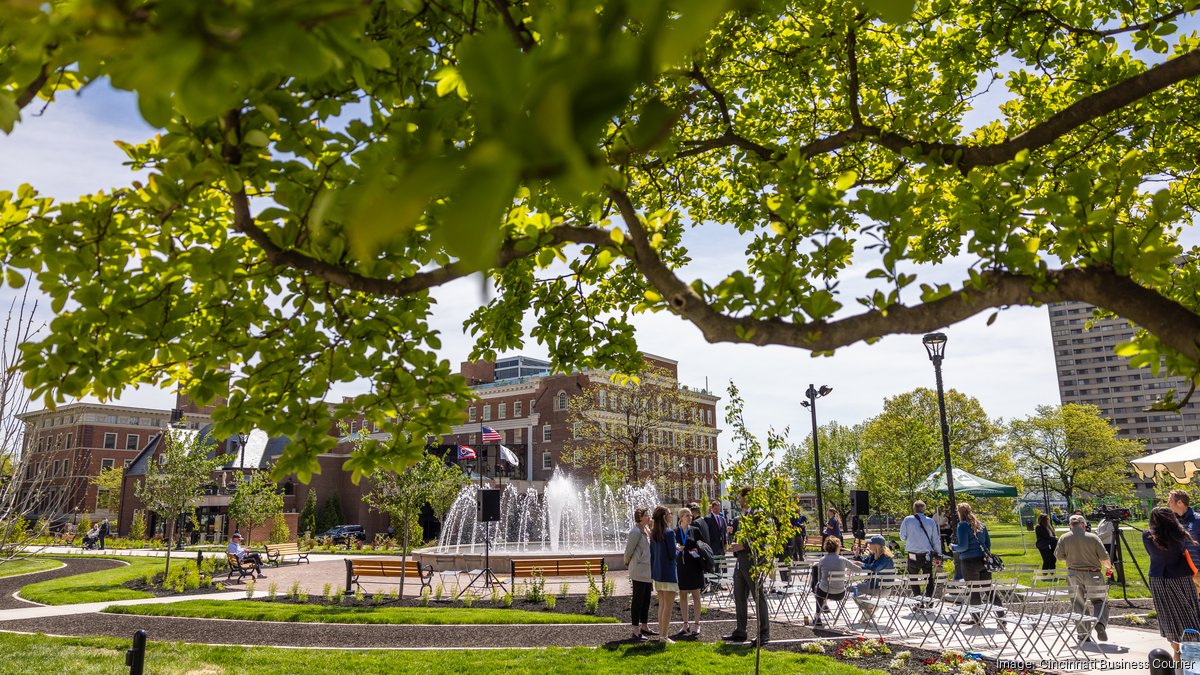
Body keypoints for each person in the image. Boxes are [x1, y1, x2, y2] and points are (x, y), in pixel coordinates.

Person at [1143, 506, 1200, 660]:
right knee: (1189, 611)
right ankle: (1194, 646)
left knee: (1167, 614)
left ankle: (1176, 650)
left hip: (1158, 577)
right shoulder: (1180, 534)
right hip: (1181, 576)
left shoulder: (1148, 535)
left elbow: (1151, 553)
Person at [722, 487, 770, 646]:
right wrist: (736, 546)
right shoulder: (741, 517)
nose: (739, 500)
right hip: (740, 563)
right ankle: (740, 631)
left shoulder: (759, 515)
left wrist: (744, 547)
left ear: (748, 497)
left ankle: (764, 633)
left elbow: (762, 540)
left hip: (753, 562)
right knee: (739, 597)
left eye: (740, 497)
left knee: (758, 597)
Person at [1054, 514, 1111, 643]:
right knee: (1100, 601)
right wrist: (1109, 568)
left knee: (1078, 604)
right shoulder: (1093, 538)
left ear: (1070, 525)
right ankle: (1100, 623)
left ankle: (1083, 634)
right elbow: (1104, 558)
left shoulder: (1064, 538)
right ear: (1084, 525)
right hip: (1093, 574)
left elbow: (1059, 556)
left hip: (1073, 574)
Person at [953, 503, 999, 624]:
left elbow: (963, 546)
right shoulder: (981, 525)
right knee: (989, 589)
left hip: (969, 562)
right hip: (984, 561)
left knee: (973, 590)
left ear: (959, 512)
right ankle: (1001, 616)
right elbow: (988, 544)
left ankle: (976, 618)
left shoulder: (962, 526)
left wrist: (953, 547)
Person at [898, 500, 941, 601]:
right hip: (927, 554)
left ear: (914, 509)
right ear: (924, 510)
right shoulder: (930, 521)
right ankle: (929, 601)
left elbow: (902, 537)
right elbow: (935, 539)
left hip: (913, 554)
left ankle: (918, 601)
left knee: (913, 577)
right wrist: (938, 554)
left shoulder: (907, 520)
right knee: (929, 579)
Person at [623, 507, 654, 641]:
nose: (649, 517)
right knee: (638, 600)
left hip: (647, 570)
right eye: (646, 515)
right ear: (640, 517)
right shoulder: (635, 532)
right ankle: (635, 630)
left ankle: (645, 626)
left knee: (646, 599)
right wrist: (627, 563)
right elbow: (628, 551)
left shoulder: (646, 530)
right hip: (639, 570)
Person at [649, 506, 679, 643]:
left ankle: (662, 634)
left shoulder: (653, 533)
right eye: (669, 513)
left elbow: (653, 556)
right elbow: (673, 555)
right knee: (668, 606)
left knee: (662, 605)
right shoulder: (669, 533)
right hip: (669, 573)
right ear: (664, 517)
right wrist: (680, 549)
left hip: (658, 573)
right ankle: (664, 636)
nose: (671, 515)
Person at [675, 507, 705, 638]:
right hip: (681, 567)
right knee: (682, 594)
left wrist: (697, 549)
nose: (690, 517)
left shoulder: (696, 531)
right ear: (681, 517)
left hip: (694, 566)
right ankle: (685, 623)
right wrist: (676, 547)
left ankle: (697, 624)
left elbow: (703, 545)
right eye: (687, 515)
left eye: (691, 516)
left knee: (696, 595)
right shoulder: (675, 532)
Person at [811, 536, 854, 627]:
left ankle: (818, 616)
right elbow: (859, 569)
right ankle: (824, 605)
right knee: (819, 586)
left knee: (817, 587)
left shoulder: (822, 560)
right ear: (838, 547)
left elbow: (819, 579)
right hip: (840, 594)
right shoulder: (843, 560)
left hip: (824, 592)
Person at [851, 535, 895, 620]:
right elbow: (863, 563)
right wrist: (857, 555)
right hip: (875, 585)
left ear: (876, 545)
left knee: (853, 589)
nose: (869, 545)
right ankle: (870, 609)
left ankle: (871, 607)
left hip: (881, 589)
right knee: (855, 589)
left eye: (871, 543)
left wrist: (862, 564)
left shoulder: (885, 558)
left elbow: (874, 568)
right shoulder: (873, 555)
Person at [1168, 490, 1200, 595]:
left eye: (1170, 501)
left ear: (1180, 503)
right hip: (1181, 572)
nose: (1168, 503)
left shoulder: (1198, 520)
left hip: (1197, 571)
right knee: (1189, 606)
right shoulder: (1172, 522)